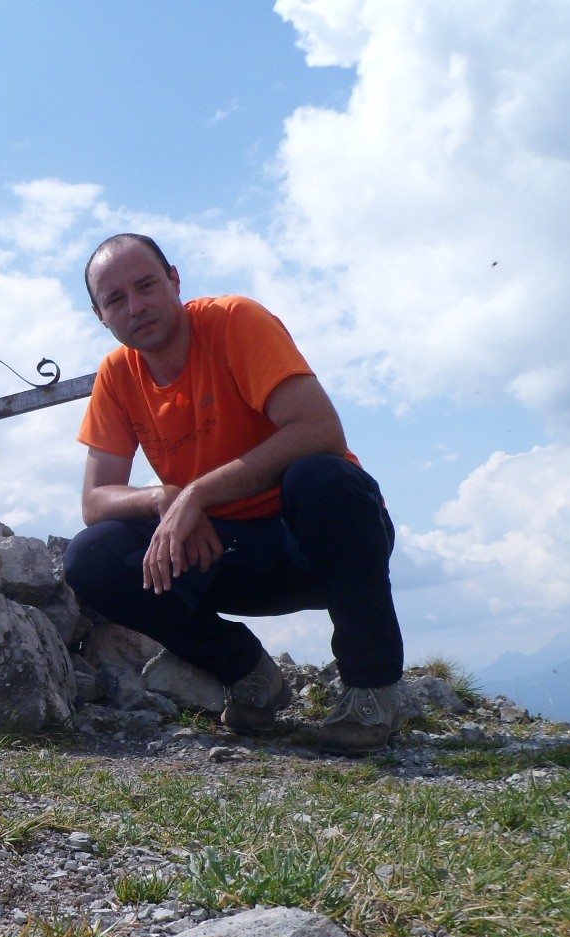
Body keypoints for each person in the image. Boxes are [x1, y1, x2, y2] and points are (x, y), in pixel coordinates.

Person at [62, 233, 405, 754]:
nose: (136, 306)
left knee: (322, 478)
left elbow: (320, 430)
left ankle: (370, 689)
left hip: (315, 546)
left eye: (147, 285)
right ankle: (248, 674)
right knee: (92, 556)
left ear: (175, 281)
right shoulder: (117, 375)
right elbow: (95, 501)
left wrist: (197, 494)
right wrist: (166, 499)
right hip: (223, 553)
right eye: (115, 299)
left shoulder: (234, 321)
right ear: (100, 315)